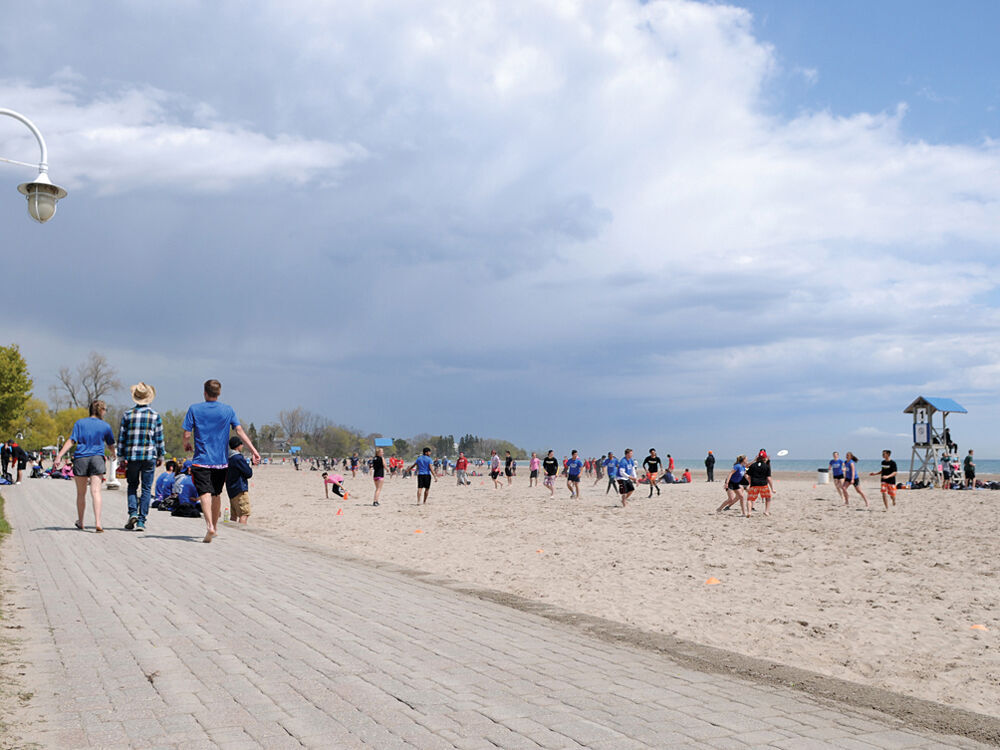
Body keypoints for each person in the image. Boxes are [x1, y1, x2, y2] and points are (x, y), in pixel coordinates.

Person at [182, 379, 261, 543]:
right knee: (216, 494)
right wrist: (254, 451)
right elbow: (239, 431)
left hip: (201, 460)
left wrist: (187, 445)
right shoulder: (228, 410)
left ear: (204, 393)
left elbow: (187, 434)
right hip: (221, 462)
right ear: (219, 393)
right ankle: (215, 528)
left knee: (205, 494)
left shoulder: (194, 409)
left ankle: (209, 525)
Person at [54, 400, 117, 532]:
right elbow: (110, 444)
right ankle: (98, 522)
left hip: (81, 458)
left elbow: (72, 440)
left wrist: (59, 455)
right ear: (101, 411)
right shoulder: (105, 426)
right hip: (97, 458)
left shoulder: (80, 423)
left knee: (81, 493)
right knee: (96, 492)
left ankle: (81, 521)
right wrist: (113, 453)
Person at [117, 382, 166, 532]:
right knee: (146, 488)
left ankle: (132, 512)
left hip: (132, 456)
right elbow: (159, 438)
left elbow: (122, 438)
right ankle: (141, 521)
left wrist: (120, 457)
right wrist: (161, 456)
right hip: (149, 455)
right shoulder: (155, 415)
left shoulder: (127, 415)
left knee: (132, 486)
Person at [226, 436, 253, 523]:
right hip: (239, 489)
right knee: (244, 514)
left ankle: (232, 533)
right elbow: (248, 473)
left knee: (233, 515)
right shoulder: (238, 458)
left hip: (231, 490)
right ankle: (241, 534)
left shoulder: (228, 458)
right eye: (241, 444)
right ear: (237, 446)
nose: (242, 446)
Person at [746, 451, 775, 516]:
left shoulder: (753, 465)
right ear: (765, 458)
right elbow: (769, 478)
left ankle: (749, 512)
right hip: (763, 485)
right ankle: (766, 511)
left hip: (754, 484)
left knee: (750, 499)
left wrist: (750, 481)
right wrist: (772, 488)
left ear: (758, 457)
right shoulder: (766, 466)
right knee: (768, 498)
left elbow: (747, 475)